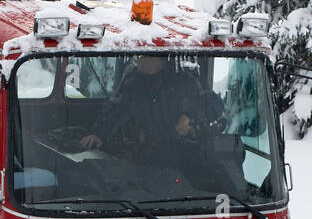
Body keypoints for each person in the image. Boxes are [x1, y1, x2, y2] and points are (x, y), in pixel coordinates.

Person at [79, 55, 224, 157]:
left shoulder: (185, 83)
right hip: (145, 157)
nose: (138, 60)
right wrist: (98, 134)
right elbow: (115, 110)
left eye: (143, 56)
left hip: (183, 155)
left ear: (159, 61)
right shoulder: (134, 84)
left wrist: (190, 117)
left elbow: (214, 103)